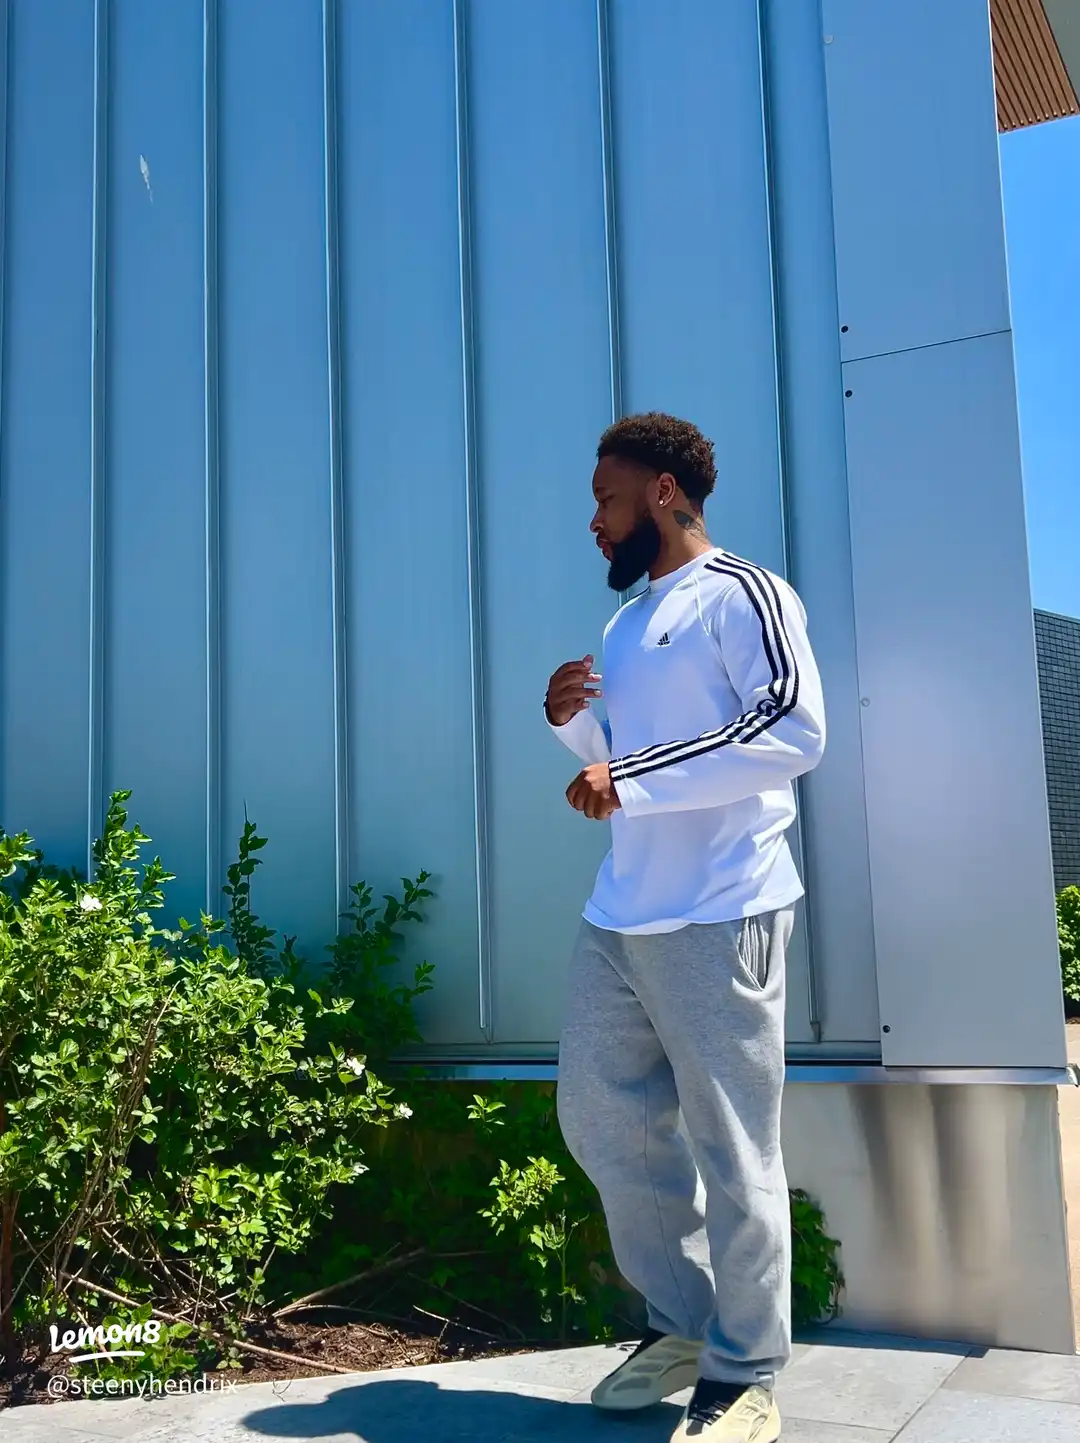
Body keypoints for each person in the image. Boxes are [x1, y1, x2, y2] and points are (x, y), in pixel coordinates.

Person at [545, 413, 826, 1443]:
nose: (594, 520)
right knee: (599, 1118)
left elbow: (790, 727)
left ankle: (745, 1370)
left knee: (732, 1144)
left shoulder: (745, 593)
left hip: (722, 907)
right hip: (623, 910)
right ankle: (683, 1322)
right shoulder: (628, 623)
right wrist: (574, 723)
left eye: (606, 499)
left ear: (664, 492)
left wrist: (626, 772)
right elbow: (632, 756)